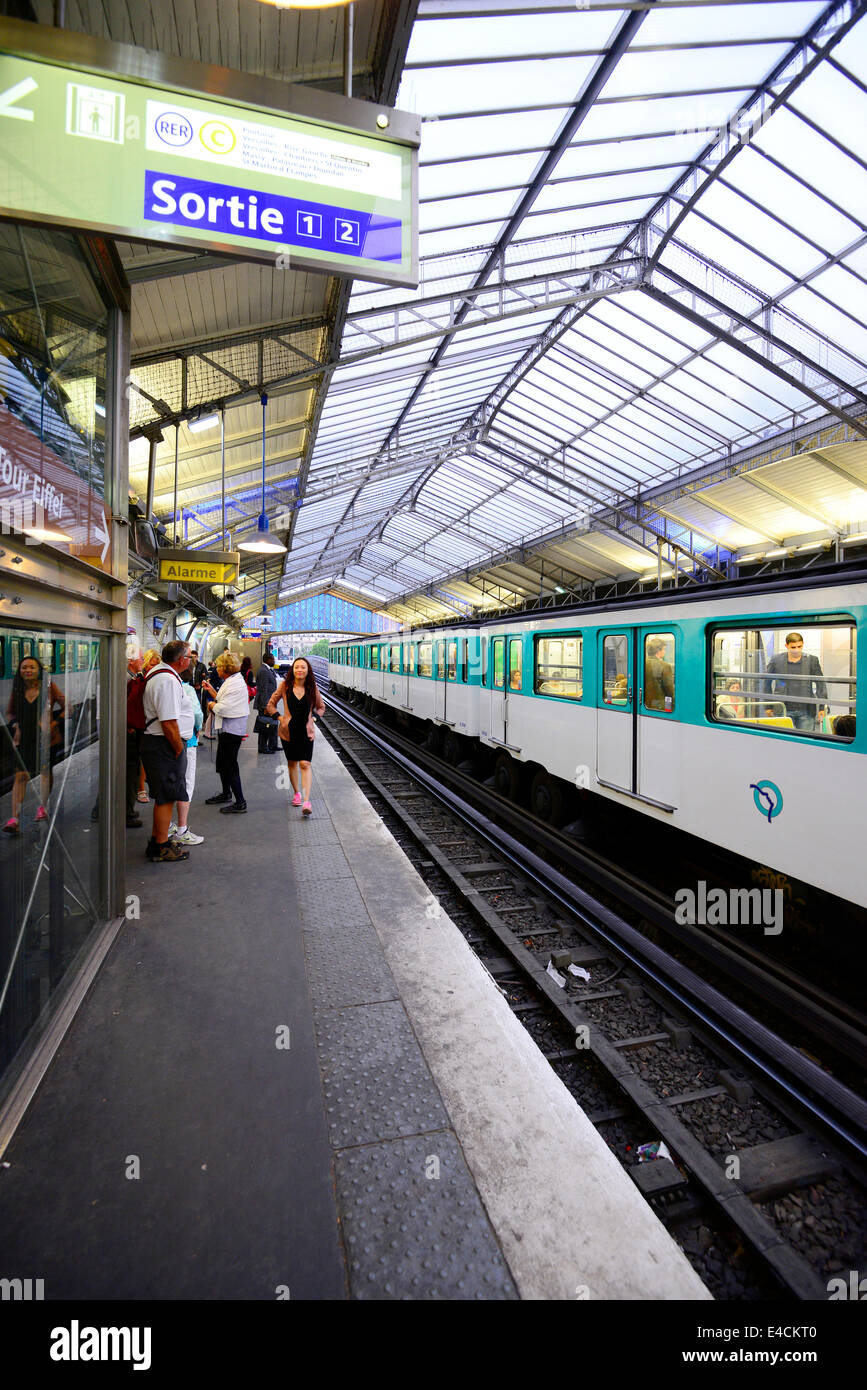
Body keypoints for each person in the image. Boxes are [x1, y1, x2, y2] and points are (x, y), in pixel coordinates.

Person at [140, 639, 192, 863]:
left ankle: (158, 840)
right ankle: (160, 847)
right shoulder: (167, 680)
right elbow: (169, 722)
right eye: (189, 656)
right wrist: (179, 749)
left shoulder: (160, 674)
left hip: (159, 744)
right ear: (181, 660)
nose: (191, 660)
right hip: (164, 745)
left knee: (165, 795)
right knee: (166, 797)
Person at [2, 656, 65, 834]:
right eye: (24, 668)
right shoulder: (18, 689)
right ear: (19, 671)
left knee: (45, 773)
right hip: (24, 739)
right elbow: (10, 713)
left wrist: (53, 724)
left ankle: (42, 807)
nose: (27, 670)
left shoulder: (49, 687)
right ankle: (14, 818)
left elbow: (67, 706)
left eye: (31, 667)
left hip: (47, 739)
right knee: (20, 776)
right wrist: (15, 726)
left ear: (39, 670)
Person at [266, 655, 325, 815]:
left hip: (306, 732)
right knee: (292, 764)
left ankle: (307, 801)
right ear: (293, 669)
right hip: (288, 732)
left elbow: (321, 707)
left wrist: (314, 718)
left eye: (303, 667)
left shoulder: (313, 687)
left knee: (305, 764)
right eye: (297, 667)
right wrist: (279, 717)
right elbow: (270, 704)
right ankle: (296, 793)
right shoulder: (285, 686)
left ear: (307, 670)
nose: (300, 670)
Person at [202, 651, 249, 814]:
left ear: (224, 668)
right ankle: (226, 793)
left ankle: (240, 802)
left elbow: (223, 707)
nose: (216, 669)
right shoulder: (232, 680)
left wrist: (210, 705)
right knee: (222, 763)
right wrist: (211, 692)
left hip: (232, 730)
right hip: (228, 729)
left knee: (229, 765)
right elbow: (224, 701)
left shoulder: (234, 683)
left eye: (218, 666)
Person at [166, 668, 205, 846]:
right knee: (186, 784)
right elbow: (197, 714)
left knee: (169, 783)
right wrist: (199, 729)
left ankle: (166, 825)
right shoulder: (187, 690)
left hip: (165, 743)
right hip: (187, 742)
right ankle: (182, 829)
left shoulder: (165, 686)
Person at [765, 632, 827, 731]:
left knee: (806, 741)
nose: (797, 650)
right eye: (793, 647)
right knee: (782, 740)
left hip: (806, 710)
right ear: (786, 646)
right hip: (783, 709)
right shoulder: (776, 660)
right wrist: (768, 705)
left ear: (803, 644)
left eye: (799, 646)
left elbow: (820, 684)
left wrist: (822, 708)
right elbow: (766, 683)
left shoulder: (812, 660)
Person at [137, 648, 162, 802]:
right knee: (142, 759)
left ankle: (147, 785)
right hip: (142, 723)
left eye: (156, 665)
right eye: (151, 664)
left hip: (152, 723)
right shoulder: (141, 679)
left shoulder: (157, 679)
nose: (154, 668)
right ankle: (141, 789)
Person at [255, 651, 279, 754]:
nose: (274, 661)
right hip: (265, 704)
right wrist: (265, 706)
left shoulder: (267, 670)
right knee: (265, 725)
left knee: (272, 723)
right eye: (272, 659)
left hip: (270, 703)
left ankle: (273, 745)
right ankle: (263, 747)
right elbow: (263, 689)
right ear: (267, 660)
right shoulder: (264, 671)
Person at [644, 637, 674, 711]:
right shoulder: (665, 666)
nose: (664, 652)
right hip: (659, 706)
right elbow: (669, 690)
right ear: (658, 651)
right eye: (664, 649)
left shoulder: (642, 664)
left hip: (646, 703)